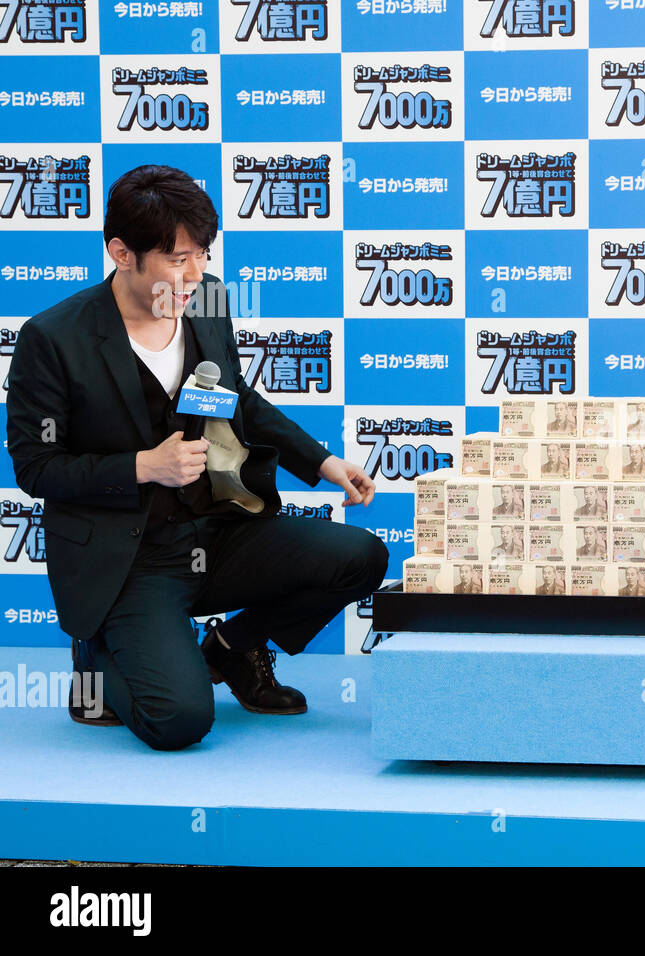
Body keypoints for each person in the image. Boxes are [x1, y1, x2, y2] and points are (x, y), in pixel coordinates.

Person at [6, 165, 389, 751]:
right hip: (130, 559)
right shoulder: (53, 338)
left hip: (217, 533)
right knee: (180, 721)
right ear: (122, 253)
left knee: (361, 555)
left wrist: (321, 462)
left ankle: (232, 650)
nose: (194, 274)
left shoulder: (206, 302)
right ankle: (98, 658)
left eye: (203, 254)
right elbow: (36, 468)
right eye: (177, 258)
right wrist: (143, 466)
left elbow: (237, 401)